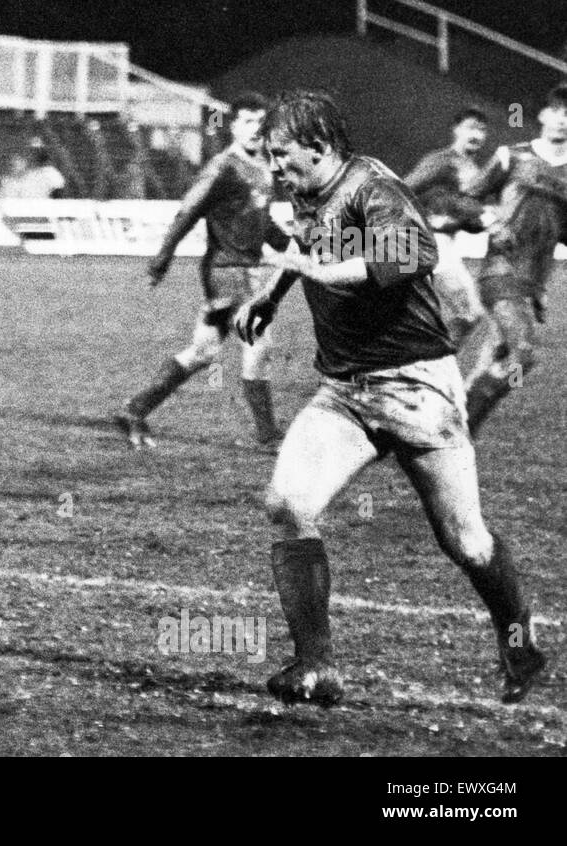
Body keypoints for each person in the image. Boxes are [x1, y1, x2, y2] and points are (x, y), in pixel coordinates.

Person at [232, 90, 545, 707]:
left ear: (319, 147)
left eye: (280, 154)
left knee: (466, 540)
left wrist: (322, 273)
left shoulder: (374, 186)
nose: (272, 167)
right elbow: (305, 246)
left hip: (417, 388)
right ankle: (315, 665)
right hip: (345, 391)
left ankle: (518, 642)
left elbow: (413, 254)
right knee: (288, 503)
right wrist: (272, 292)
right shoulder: (305, 189)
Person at [116, 93, 290, 452]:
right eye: (247, 121)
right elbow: (188, 211)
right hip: (226, 270)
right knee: (260, 343)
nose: (256, 129)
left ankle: (136, 409)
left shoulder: (265, 166)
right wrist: (162, 257)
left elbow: (262, 217)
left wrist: (291, 244)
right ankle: (269, 435)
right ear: (233, 126)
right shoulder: (223, 166)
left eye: (261, 121)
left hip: (245, 269)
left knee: (203, 352)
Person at [456, 84, 567, 436]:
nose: (564, 121)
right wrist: (489, 220)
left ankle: (454, 413)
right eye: (558, 112)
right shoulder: (512, 156)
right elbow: (465, 199)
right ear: (543, 115)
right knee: (524, 353)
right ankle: (463, 426)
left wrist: (541, 286)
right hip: (499, 272)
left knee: (500, 354)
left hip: (532, 282)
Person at [401, 107, 489, 346]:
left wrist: (476, 222)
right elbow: (404, 189)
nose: (476, 134)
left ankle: (426, 364)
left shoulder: (474, 170)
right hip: (428, 243)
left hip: (443, 245)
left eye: (482, 129)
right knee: (469, 311)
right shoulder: (442, 161)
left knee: (469, 312)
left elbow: (465, 216)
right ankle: (430, 366)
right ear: (456, 129)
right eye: (470, 127)